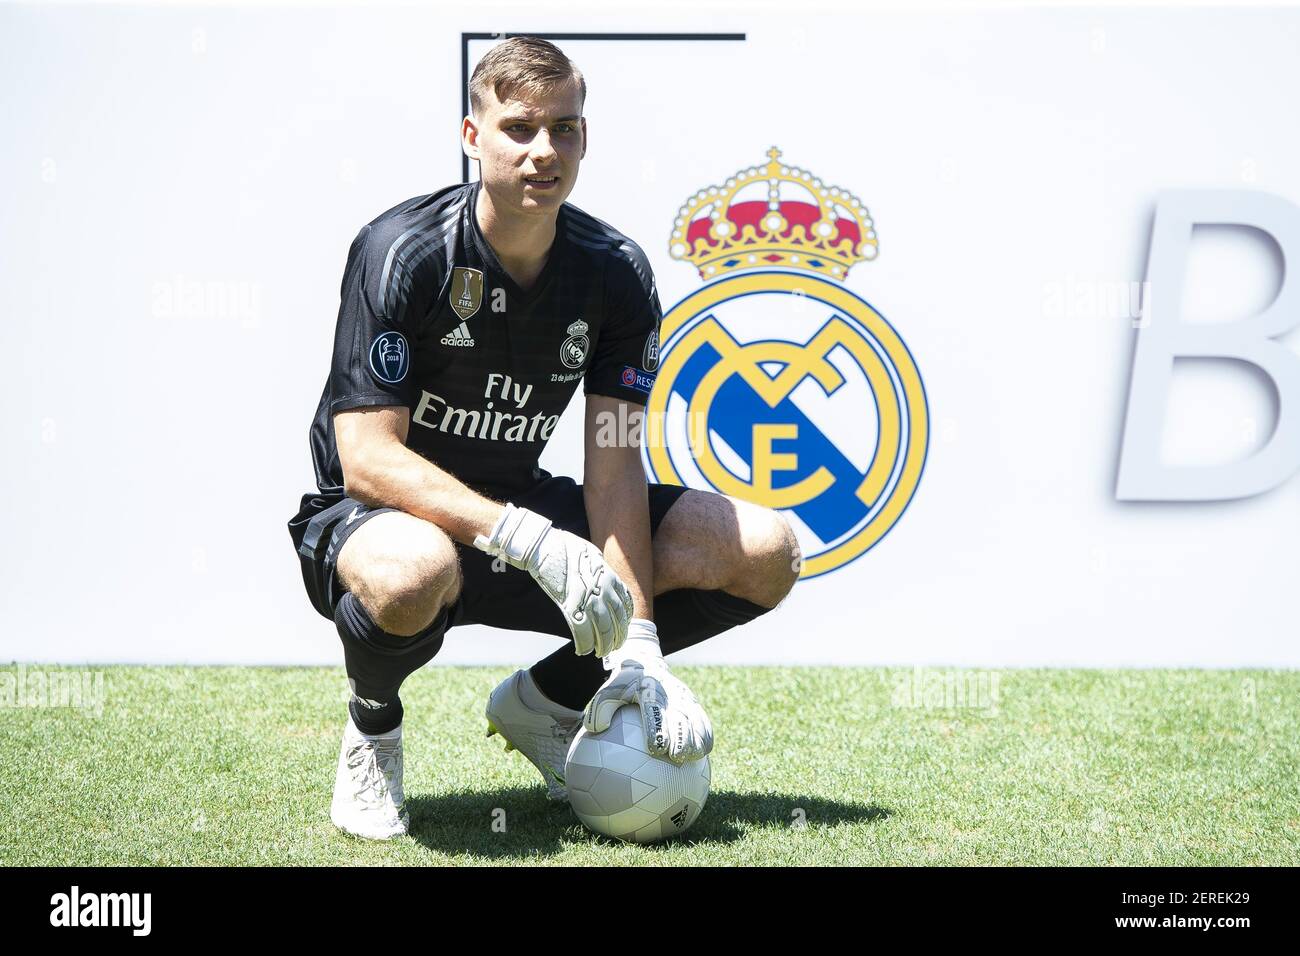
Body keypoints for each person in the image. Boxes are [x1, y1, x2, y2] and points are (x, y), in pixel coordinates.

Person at [286, 36, 800, 840]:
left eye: (564, 128)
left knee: (763, 549)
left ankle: (551, 703)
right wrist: (520, 535)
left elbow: (612, 457)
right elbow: (367, 458)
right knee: (412, 569)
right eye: (519, 128)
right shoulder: (403, 252)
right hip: (376, 519)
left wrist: (636, 645)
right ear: (472, 136)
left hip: (518, 516)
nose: (542, 150)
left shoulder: (613, 272)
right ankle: (373, 731)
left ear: (584, 138)